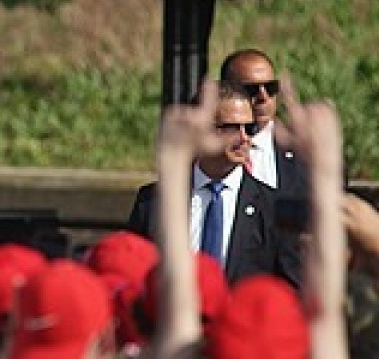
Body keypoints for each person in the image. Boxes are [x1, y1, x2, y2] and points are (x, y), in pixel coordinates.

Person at [127, 81, 301, 288]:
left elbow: (291, 290)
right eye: (231, 128)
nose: (245, 138)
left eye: (250, 128)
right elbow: (133, 275)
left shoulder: (272, 207)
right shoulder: (153, 202)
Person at [218, 49, 308, 196]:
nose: (263, 97)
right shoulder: (207, 152)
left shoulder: (300, 153)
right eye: (252, 89)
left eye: (270, 88)